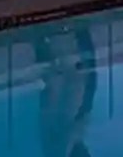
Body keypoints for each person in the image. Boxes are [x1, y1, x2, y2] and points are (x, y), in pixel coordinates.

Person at [35, 26, 97, 157]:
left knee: (55, 80)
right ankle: (41, 37)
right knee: (78, 78)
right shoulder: (71, 137)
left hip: (62, 117)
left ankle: (40, 37)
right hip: (68, 116)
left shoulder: (59, 146)